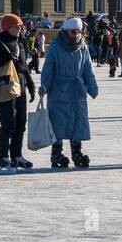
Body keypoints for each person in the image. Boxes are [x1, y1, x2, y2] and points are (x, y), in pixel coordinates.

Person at [40, 17, 99, 168]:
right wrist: (44, 86)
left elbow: (88, 69)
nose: (77, 34)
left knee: (77, 122)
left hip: (77, 91)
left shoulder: (83, 47)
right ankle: (56, 153)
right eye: (74, 32)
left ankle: (77, 152)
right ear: (66, 31)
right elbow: (48, 68)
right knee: (58, 123)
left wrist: (92, 87)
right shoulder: (55, 46)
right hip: (59, 90)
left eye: (79, 31)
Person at [0, 13, 36, 171]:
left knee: (20, 123)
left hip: (20, 87)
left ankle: (17, 155)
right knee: (8, 124)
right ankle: (2, 157)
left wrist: (30, 85)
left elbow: (23, 67)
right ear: (6, 27)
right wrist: (7, 59)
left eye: (20, 26)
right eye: (16, 26)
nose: (20, 29)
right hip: (4, 87)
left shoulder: (19, 43)